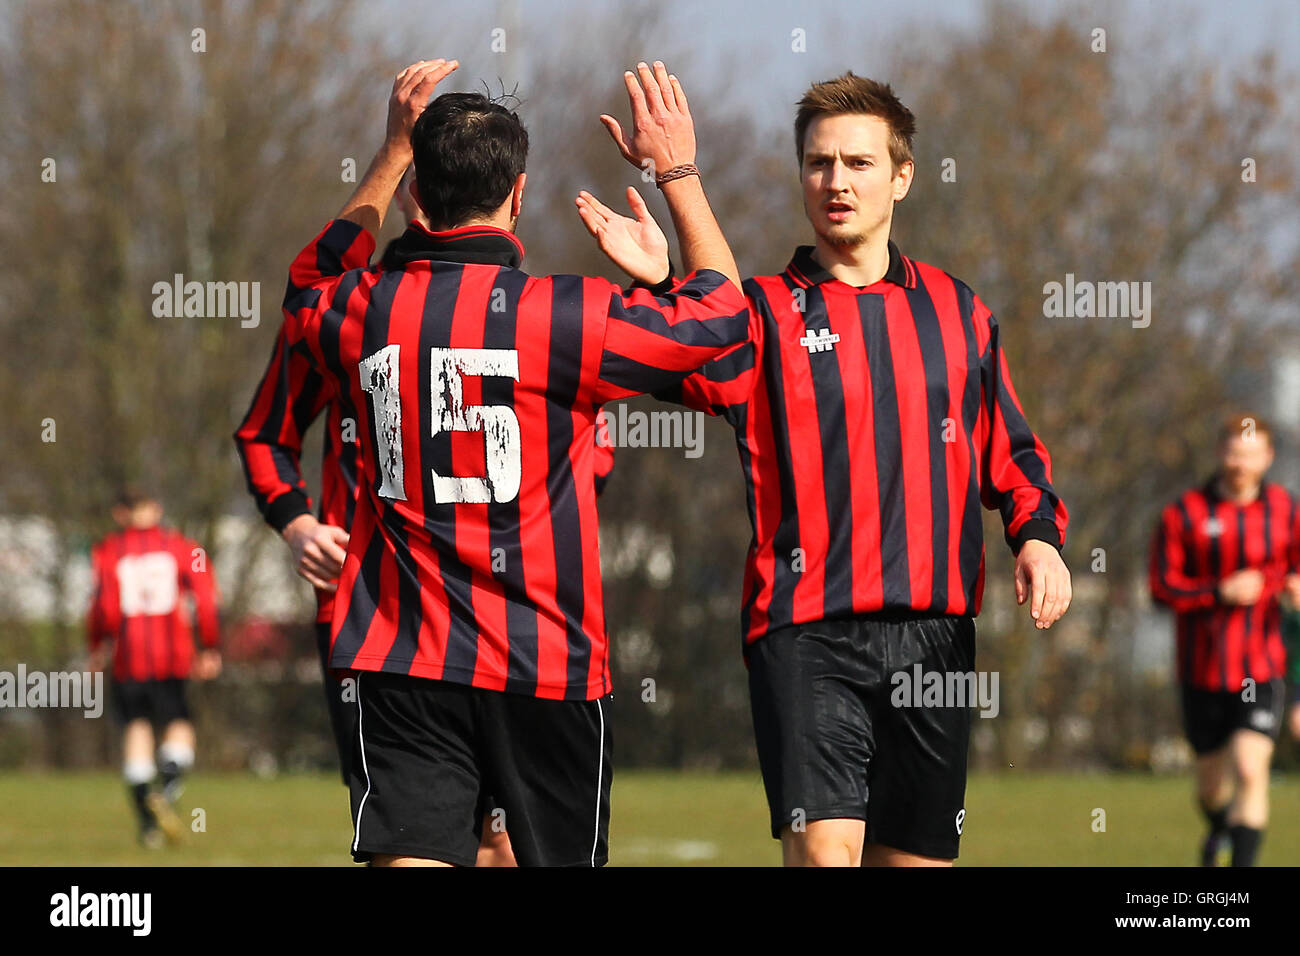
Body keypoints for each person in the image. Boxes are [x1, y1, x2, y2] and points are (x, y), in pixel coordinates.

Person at [274, 58, 746, 866]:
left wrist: (389, 154)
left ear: (418, 196)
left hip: (401, 657)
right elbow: (725, 321)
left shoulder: (357, 309)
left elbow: (308, 283)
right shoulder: (569, 316)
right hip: (547, 663)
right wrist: (677, 171)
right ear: (520, 194)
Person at [604, 71, 1072, 866]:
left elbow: (1012, 452)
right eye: (819, 164)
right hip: (805, 630)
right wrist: (657, 282)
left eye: (858, 163)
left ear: (902, 176)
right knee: (825, 855)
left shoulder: (960, 313)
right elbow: (676, 357)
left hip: (936, 637)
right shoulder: (762, 314)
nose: (836, 182)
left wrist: (1037, 538)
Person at [235, 166, 613, 869]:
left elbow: (593, 467)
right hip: (377, 618)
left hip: (511, 623)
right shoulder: (350, 319)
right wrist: (297, 522)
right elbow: (264, 434)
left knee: (499, 840)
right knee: (412, 837)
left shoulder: (522, 325)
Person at [1150, 413, 1300, 866]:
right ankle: (1219, 829)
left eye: (1251, 454)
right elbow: (1161, 588)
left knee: (1251, 770)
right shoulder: (1183, 514)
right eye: (1235, 452)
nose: (1242, 463)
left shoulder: (1287, 511)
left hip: (1262, 665)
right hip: (1201, 671)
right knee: (1212, 787)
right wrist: (1218, 591)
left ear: (1267, 457)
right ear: (1221, 454)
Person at [87, 487, 221, 847]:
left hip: (128, 659)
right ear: (157, 509)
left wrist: (97, 645)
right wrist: (209, 644)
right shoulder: (184, 547)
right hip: (172, 655)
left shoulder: (107, 551)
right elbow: (205, 598)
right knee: (178, 725)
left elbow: (102, 605)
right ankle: (166, 786)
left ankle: (148, 826)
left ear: (120, 513)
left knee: (136, 731)